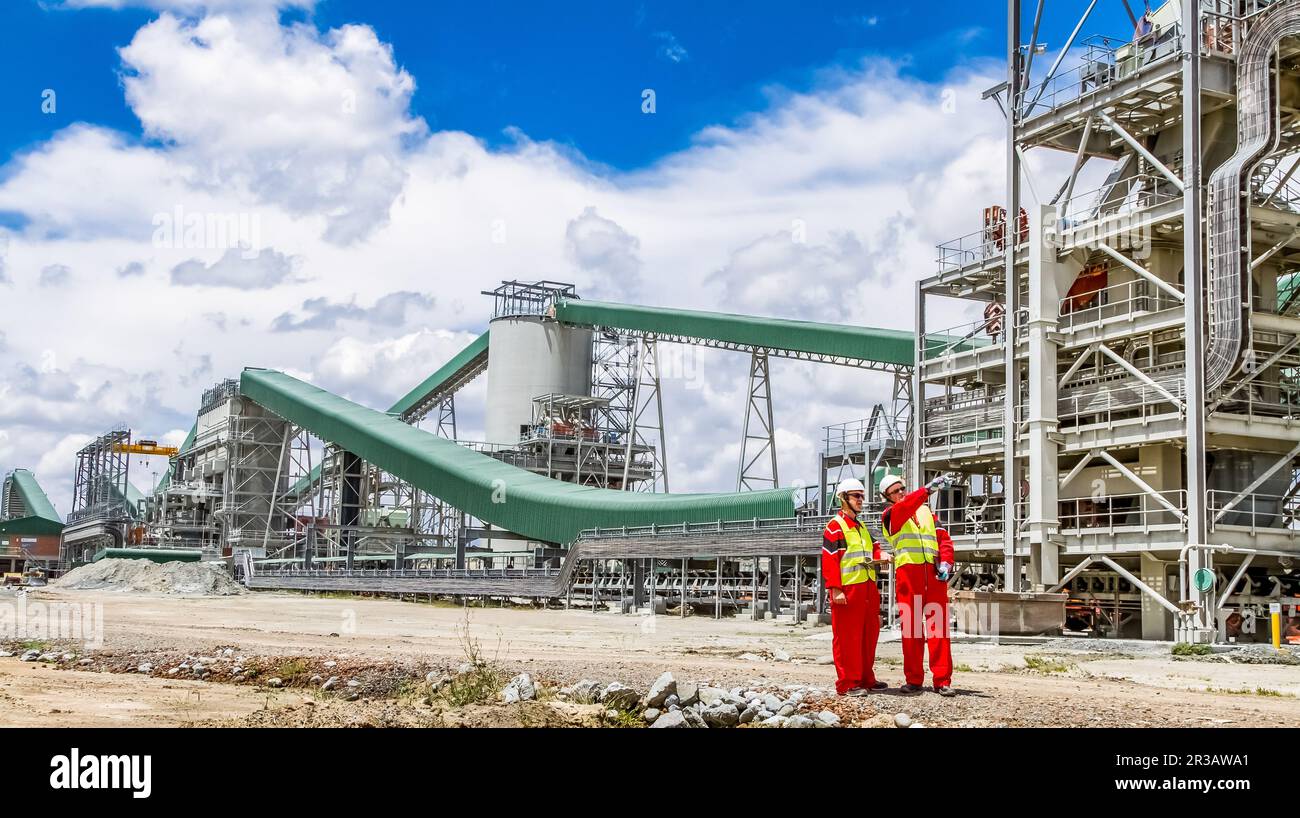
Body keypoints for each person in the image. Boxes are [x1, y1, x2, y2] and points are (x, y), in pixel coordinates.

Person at [880, 473, 956, 696]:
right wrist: (927, 490)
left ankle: (942, 681)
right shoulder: (890, 515)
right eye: (895, 491)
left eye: (902, 488)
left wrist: (947, 563)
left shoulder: (927, 513)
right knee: (912, 630)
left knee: (939, 629)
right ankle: (913, 680)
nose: (901, 493)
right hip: (909, 576)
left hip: (933, 575)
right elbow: (903, 510)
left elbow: (943, 539)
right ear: (888, 497)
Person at [821, 477, 886, 696]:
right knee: (847, 638)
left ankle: (866, 679)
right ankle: (847, 683)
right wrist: (835, 589)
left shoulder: (861, 526)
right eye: (856, 496)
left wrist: (883, 555)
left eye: (862, 496)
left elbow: (875, 548)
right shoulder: (834, 527)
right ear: (843, 498)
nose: (861, 500)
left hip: (867, 588)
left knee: (869, 635)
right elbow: (829, 561)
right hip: (847, 590)